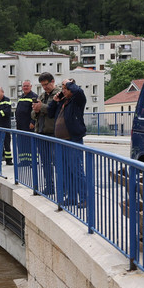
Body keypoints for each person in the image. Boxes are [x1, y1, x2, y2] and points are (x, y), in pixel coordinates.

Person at [53, 78, 88, 206]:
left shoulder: (77, 100)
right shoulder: (63, 102)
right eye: (62, 88)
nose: (63, 90)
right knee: (67, 171)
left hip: (73, 140)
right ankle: (72, 197)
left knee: (76, 170)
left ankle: (85, 198)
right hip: (61, 142)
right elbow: (51, 113)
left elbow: (78, 91)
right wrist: (56, 101)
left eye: (65, 88)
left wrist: (68, 83)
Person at [32, 72, 59, 194]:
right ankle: (50, 186)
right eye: (42, 85)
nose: (45, 87)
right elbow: (33, 114)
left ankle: (61, 188)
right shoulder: (42, 96)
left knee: (57, 163)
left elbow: (53, 110)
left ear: (52, 81)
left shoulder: (58, 94)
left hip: (53, 133)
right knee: (45, 163)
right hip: (41, 133)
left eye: (46, 84)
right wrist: (36, 110)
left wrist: (40, 108)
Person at [14, 80, 38, 170]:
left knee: (29, 144)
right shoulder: (21, 96)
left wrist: (33, 122)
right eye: (24, 86)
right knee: (21, 144)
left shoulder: (34, 96)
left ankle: (32, 161)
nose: (25, 87)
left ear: (31, 86)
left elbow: (35, 111)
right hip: (20, 125)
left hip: (28, 125)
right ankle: (23, 160)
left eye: (27, 86)